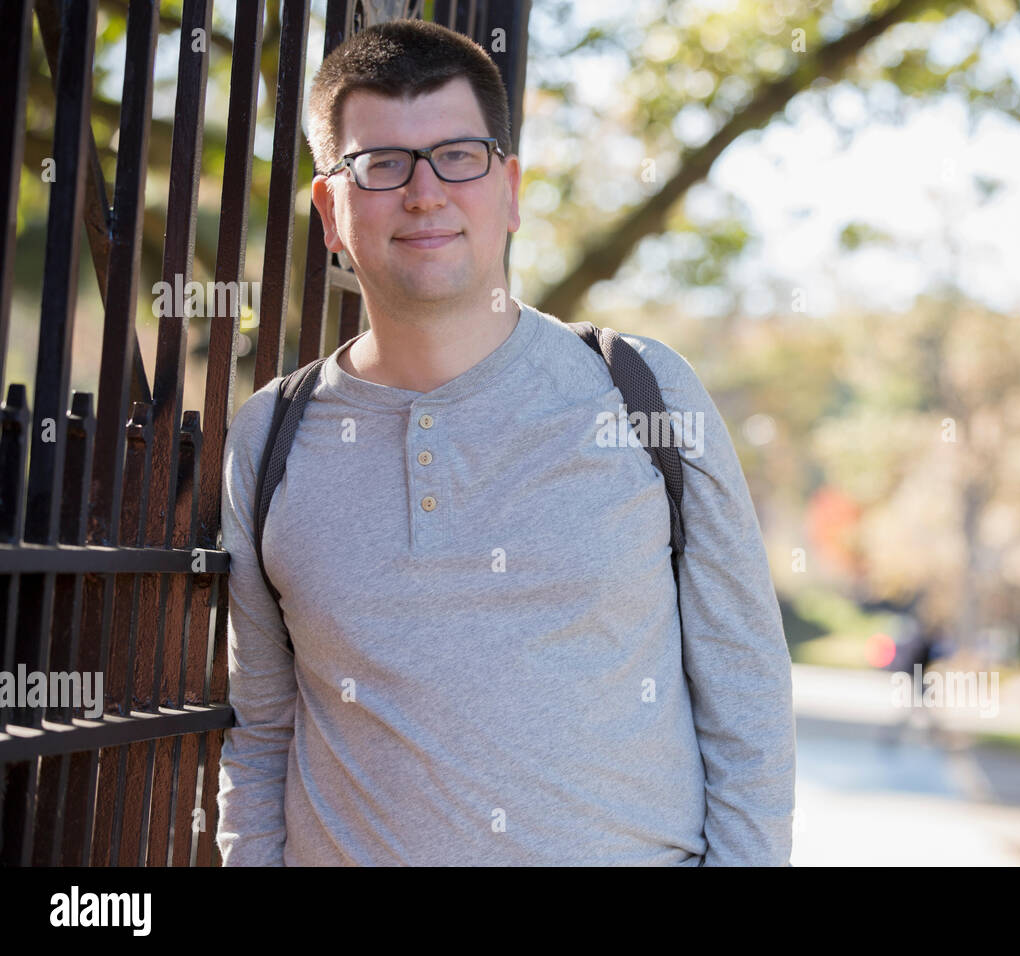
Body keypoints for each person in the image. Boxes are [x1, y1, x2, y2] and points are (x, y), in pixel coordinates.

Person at [215, 18, 796, 866]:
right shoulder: (272, 436)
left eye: (459, 155)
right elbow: (260, 736)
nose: (425, 193)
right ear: (330, 210)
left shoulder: (643, 393)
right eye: (381, 165)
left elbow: (746, 698)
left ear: (511, 188)